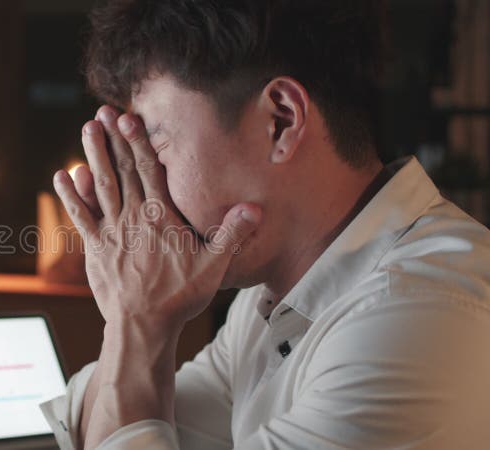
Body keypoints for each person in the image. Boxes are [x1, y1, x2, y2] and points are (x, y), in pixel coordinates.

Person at [41, 0, 490, 449]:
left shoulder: (417, 320)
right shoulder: (274, 297)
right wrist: (132, 324)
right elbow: (111, 428)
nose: (145, 191)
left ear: (280, 121)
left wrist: (136, 320)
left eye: (155, 150)